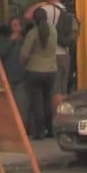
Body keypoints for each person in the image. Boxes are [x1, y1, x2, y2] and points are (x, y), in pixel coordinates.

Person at [24, 0, 70, 101]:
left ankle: (54, 116)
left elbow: (27, 16)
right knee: (62, 89)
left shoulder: (45, 9)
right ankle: (62, 113)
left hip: (50, 55)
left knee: (54, 91)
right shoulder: (66, 10)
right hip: (65, 53)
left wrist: (40, 4)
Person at [20, 8, 57, 141]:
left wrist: (24, 64)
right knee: (47, 100)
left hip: (34, 71)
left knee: (37, 102)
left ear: (34, 19)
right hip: (51, 70)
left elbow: (24, 54)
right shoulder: (53, 31)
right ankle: (51, 129)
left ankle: (39, 131)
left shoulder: (32, 33)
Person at [0, 17, 28, 129]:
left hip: (21, 78)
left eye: (16, 25)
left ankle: (22, 128)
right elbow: (0, 54)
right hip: (8, 77)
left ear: (21, 27)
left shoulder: (25, 41)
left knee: (21, 105)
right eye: (12, 26)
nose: (14, 28)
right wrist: (11, 41)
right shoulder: (4, 41)